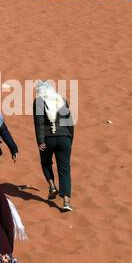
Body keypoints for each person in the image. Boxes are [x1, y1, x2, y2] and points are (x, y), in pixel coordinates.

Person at [33, 80, 75, 212]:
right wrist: (69, 139)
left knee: (45, 163)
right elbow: (70, 123)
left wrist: (40, 141)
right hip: (65, 139)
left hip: (48, 138)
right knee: (64, 169)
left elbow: (39, 123)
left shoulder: (39, 101)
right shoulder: (62, 100)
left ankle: (52, 186)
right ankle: (66, 201)